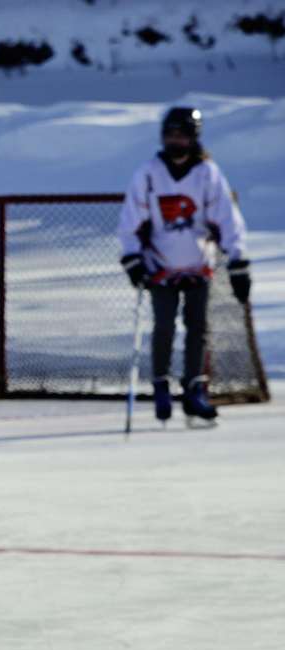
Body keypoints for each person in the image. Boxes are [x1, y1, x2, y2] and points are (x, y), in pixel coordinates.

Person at [117, 105, 251, 424]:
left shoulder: (207, 173)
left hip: (196, 264)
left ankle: (195, 390)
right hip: (160, 266)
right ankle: (161, 385)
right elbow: (131, 218)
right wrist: (132, 257)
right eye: (170, 134)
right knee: (164, 326)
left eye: (182, 135)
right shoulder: (149, 173)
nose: (175, 141)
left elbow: (226, 218)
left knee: (198, 330)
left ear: (193, 138)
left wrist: (237, 260)